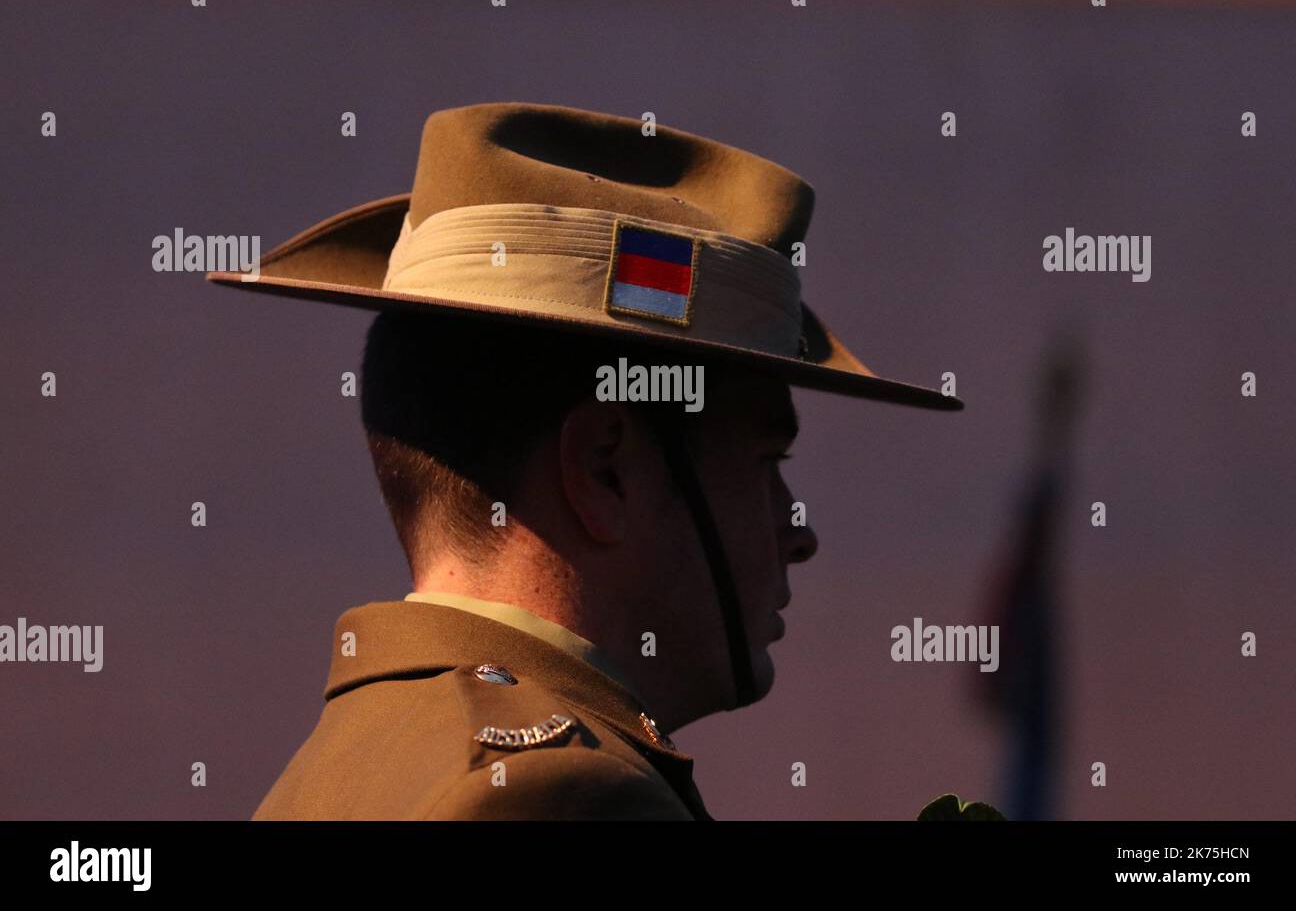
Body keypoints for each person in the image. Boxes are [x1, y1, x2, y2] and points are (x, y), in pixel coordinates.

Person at [208, 101, 987, 820]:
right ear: (607, 471)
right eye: (766, 460)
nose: (798, 530)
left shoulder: (330, 776)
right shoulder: (568, 793)